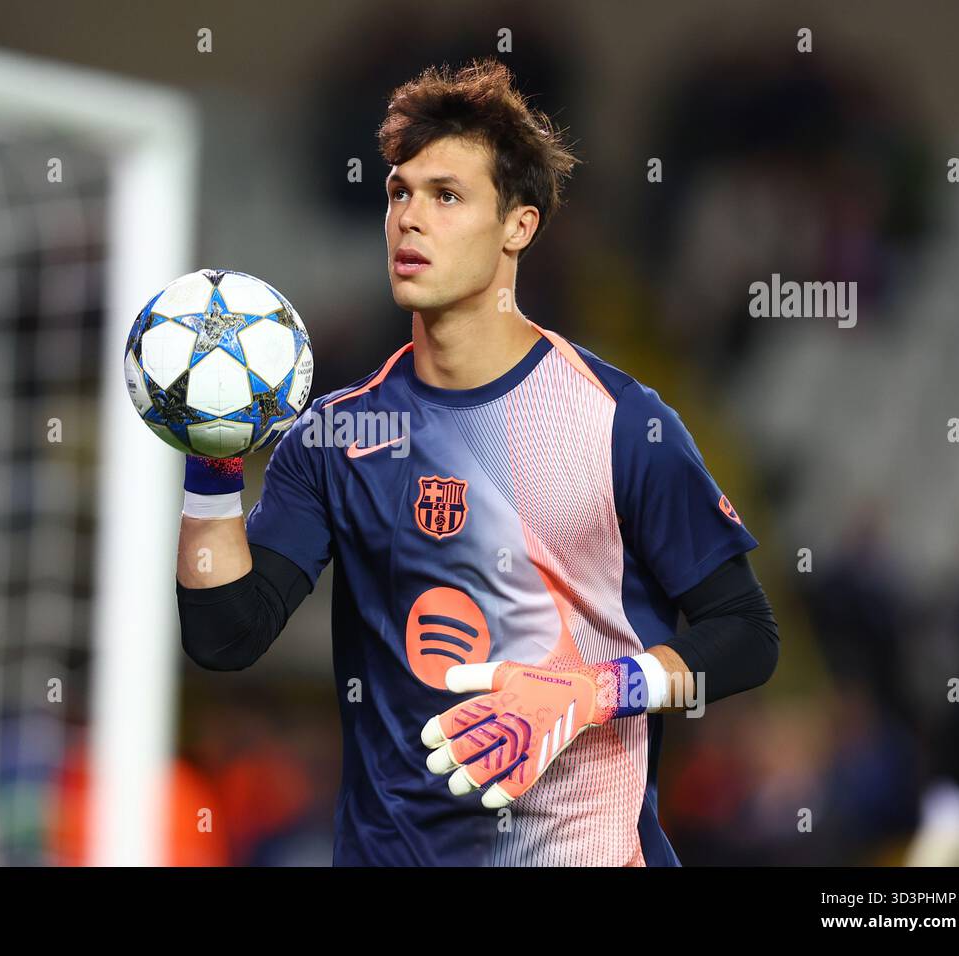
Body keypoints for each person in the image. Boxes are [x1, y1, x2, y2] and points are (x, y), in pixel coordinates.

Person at [175, 58, 778, 866]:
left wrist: (596, 691)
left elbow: (745, 636)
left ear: (518, 226)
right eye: (400, 193)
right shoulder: (335, 436)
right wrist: (211, 463)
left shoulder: (621, 423)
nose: (409, 219)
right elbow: (226, 637)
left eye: (446, 195)